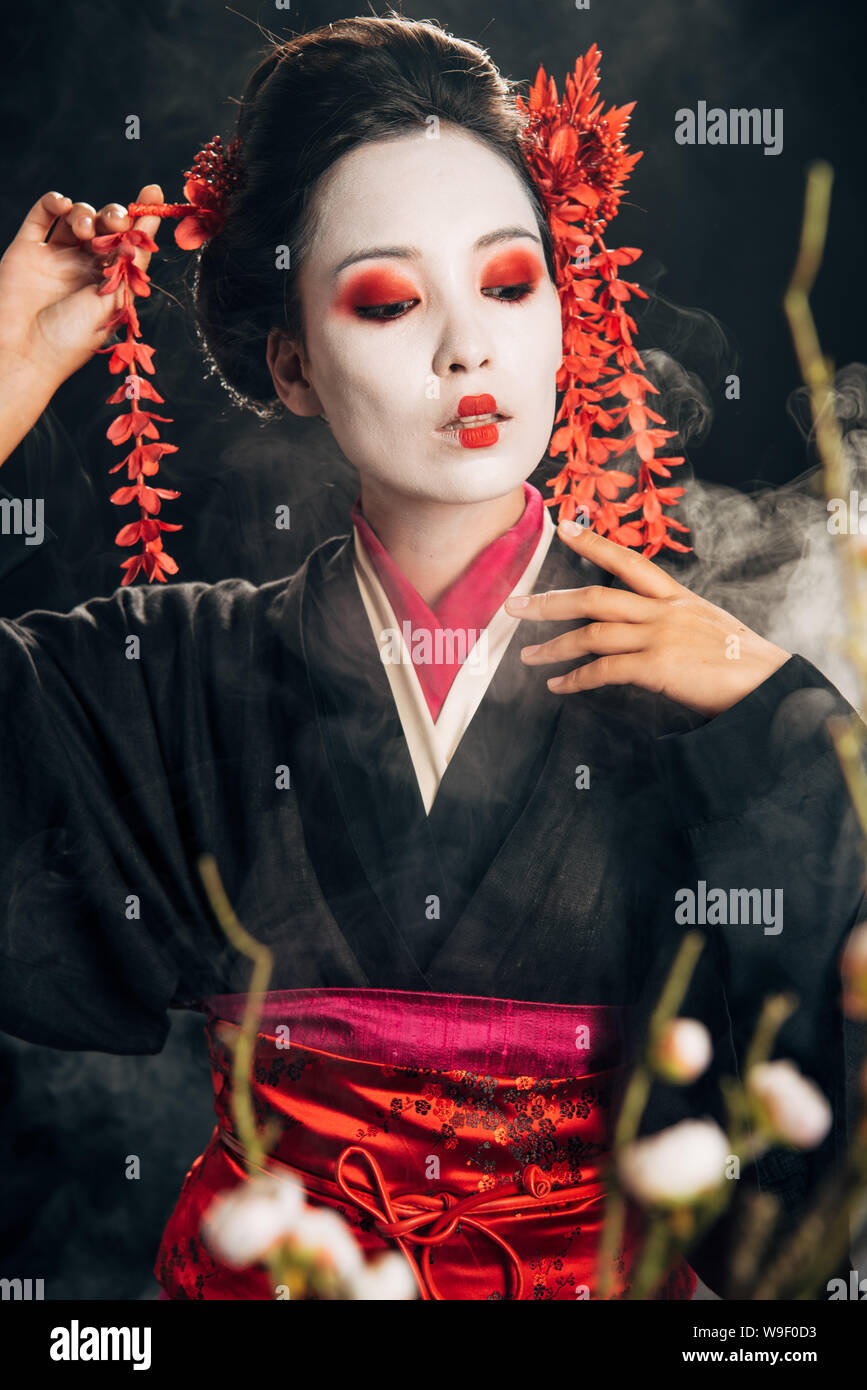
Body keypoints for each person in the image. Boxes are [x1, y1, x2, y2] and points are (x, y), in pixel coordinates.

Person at [0, 15, 864, 1301]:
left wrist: (786, 717)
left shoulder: (705, 684)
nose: (469, 347)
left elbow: (792, 1229)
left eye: (509, 283)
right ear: (291, 363)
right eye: (391, 299)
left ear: (567, 311)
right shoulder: (184, 668)